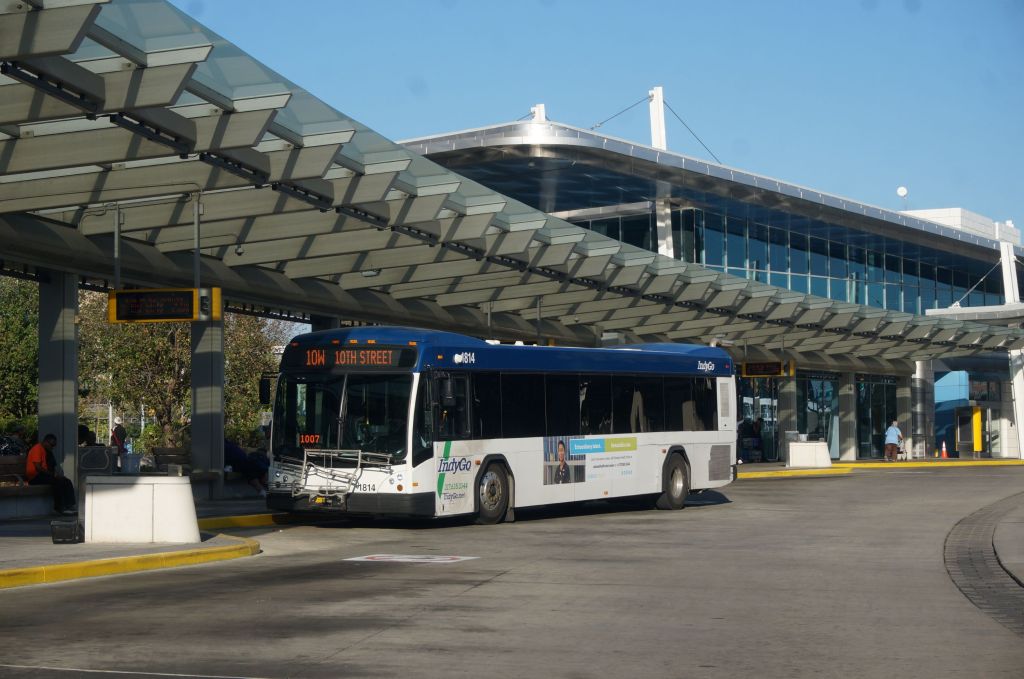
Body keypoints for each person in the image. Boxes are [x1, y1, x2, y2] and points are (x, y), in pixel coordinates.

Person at [26, 433, 77, 514]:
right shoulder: (37, 449)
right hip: (35, 477)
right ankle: (59, 508)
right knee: (57, 482)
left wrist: (56, 474)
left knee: (66, 481)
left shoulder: (47, 451)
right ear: (46, 442)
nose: (52, 447)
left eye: (54, 445)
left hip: (43, 475)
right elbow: (38, 468)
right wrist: (53, 475)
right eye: (52, 445)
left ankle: (69, 505)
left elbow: (51, 467)